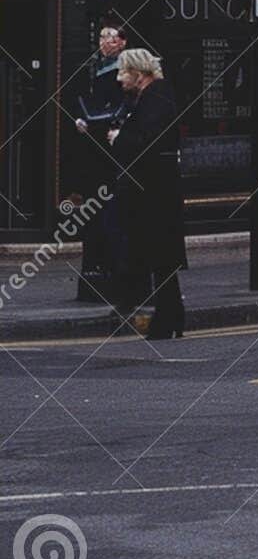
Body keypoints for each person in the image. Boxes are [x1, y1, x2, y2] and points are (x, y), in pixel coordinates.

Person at [108, 48, 187, 341]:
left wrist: (119, 138)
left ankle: (167, 319)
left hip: (157, 190)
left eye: (122, 72)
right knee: (160, 256)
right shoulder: (148, 97)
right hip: (153, 188)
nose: (119, 78)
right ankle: (171, 317)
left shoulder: (157, 98)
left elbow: (147, 141)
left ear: (138, 74)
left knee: (160, 253)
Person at [70, 24, 133, 303]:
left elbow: (120, 108)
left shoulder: (125, 71)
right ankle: (97, 266)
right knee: (96, 207)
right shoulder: (94, 67)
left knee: (110, 209)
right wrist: (81, 119)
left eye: (110, 37)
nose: (104, 42)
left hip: (110, 146)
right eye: (101, 37)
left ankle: (112, 268)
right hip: (94, 147)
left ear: (122, 42)